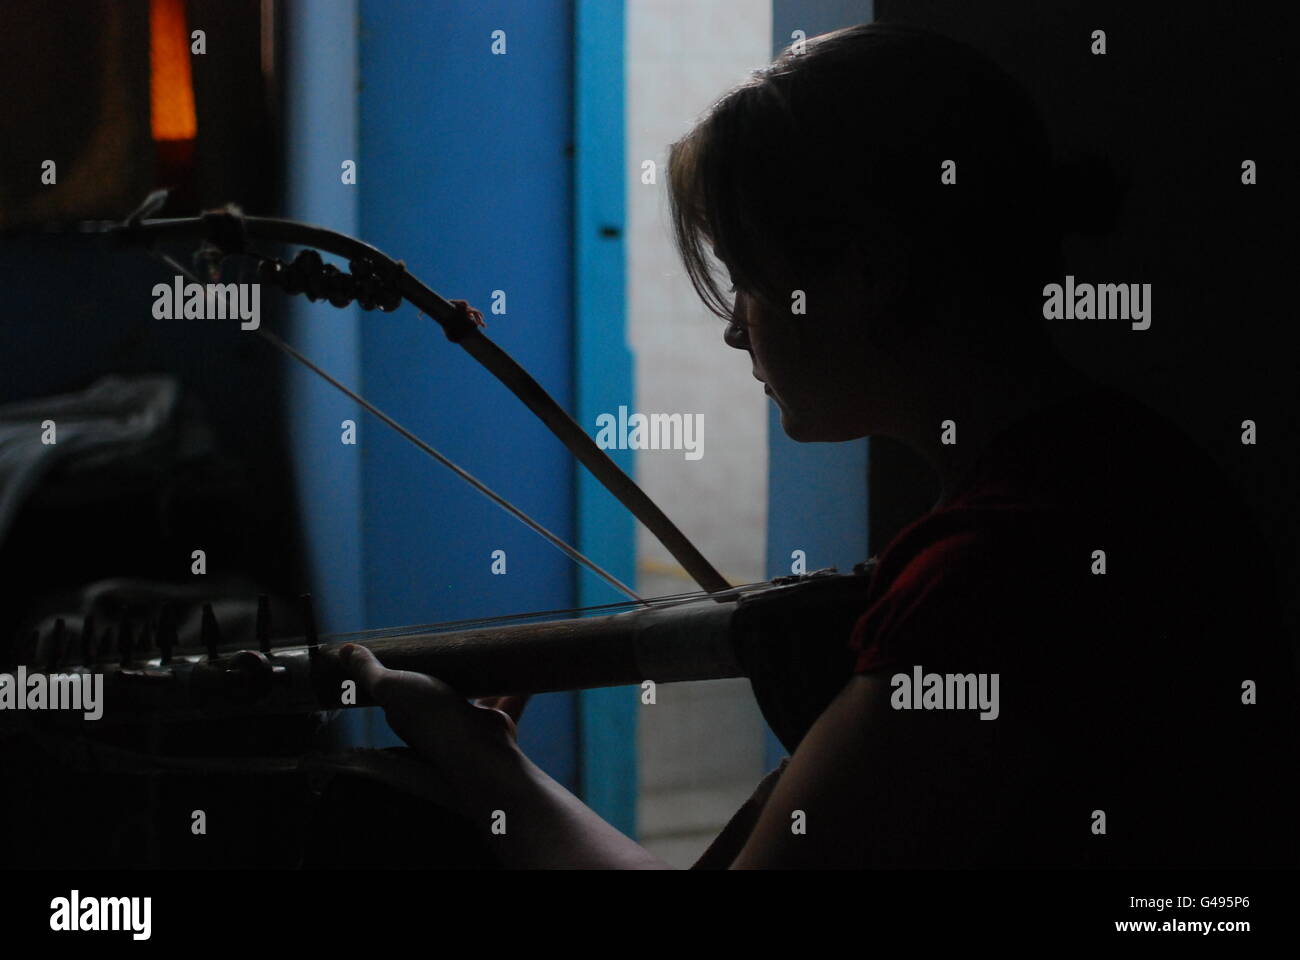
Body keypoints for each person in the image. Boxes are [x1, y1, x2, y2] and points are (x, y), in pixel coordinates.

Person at [338, 22, 1298, 868]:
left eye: (748, 282)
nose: (734, 329)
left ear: (868, 273)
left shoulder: (995, 573)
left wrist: (481, 770)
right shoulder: (1116, 467)